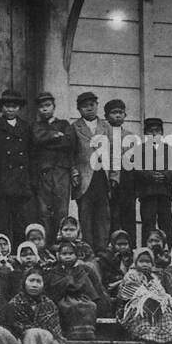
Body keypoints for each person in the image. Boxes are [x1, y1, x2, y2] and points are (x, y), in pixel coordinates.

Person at [6, 267, 92, 344]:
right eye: (31, 280)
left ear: (43, 285)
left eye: (38, 281)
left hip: (47, 343)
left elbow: (54, 332)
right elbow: (14, 328)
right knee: (33, 334)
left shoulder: (49, 304)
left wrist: (39, 333)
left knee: (40, 335)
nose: (34, 285)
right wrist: (34, 332)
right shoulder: (14, 304)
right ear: (24, 282)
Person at [0, 88, 36, 244]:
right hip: (2, 183)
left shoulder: (26, 127)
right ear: (2, 108)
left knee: (20, 223)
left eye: (14, 106)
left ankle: (18, 253)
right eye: (7, 106)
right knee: (1, 222)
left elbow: (31, 155)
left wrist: (30, 181)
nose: (10, 109)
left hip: (21, 184)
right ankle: (1, 254)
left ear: (19, 108)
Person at [31, 91, 76, 241]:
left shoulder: (64, 124)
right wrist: (55, 136)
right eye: (41, 106)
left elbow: (69, 142)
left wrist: (48, 141)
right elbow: (37, 139)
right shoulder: (36, 126)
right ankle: (46, 243)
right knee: (44, 210)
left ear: (54, 107)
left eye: (48, 105)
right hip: (44, 172)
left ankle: (61, 242)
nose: (45, 109)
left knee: (61, 209)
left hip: (62, 172)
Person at [116, 247, 172, 344]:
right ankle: (145, 332)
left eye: (148, 262)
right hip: (134, 307)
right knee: (145, 306)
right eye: (141, 261)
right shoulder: (131, 275)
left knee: (165, 307)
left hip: (153, 305)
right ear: (135, 262)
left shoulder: (153, 278)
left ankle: (168, 333)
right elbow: (131, 293)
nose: (145, 264)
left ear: (152, 264)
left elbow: (161, 292)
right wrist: (150, 297)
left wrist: (164, 298)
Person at [71, 91, 111, 251]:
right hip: (84, 179)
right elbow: (70, 154)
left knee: (103, 216)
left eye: (92, 105)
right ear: (79, 109)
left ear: (97, 106)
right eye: (84, 106)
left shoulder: (106, 127)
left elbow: (114, 153)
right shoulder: (74, 127)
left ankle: (102, 251)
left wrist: (114, 176)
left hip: (102, 177)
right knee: (86, 216)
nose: (89, 108)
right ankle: (88, 251)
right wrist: (74, 172)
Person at [45, 239, 100, 340]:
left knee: (90, 305)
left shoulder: (81, 269)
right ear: (58, 255)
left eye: (71, 253)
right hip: (62, 297)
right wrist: (67, 282)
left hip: (80, 296)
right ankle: (71, 333)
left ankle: (86, 333)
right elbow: (53, 287)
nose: (67, 256)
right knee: (69, 306)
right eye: (64, 254)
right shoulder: (55, 271)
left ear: (76, 255)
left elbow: (86, 286)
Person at [136, 118, 172, 244]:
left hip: (164, 192)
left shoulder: (169, 149)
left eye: (157, 131)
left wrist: (165, 175)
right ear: (145, 134)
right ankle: (147, 252)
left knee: (167, 223)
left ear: (162, 133)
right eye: (150, 131)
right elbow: (137, 168)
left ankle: (169, 251)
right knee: (148, 223)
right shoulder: (140, 149)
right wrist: (150, 175)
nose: (154, 134)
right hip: (147, 193)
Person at [103, 98, 137, 244]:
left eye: (120, 112)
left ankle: (131, 247)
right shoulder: (103, 133)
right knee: (112, 215)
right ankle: (113, 246)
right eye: (114, 113)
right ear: (106, 116)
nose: (117, 116)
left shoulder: (130, 136)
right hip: (109, 178)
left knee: (129, 215)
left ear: (125, 115)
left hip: (127, 179)